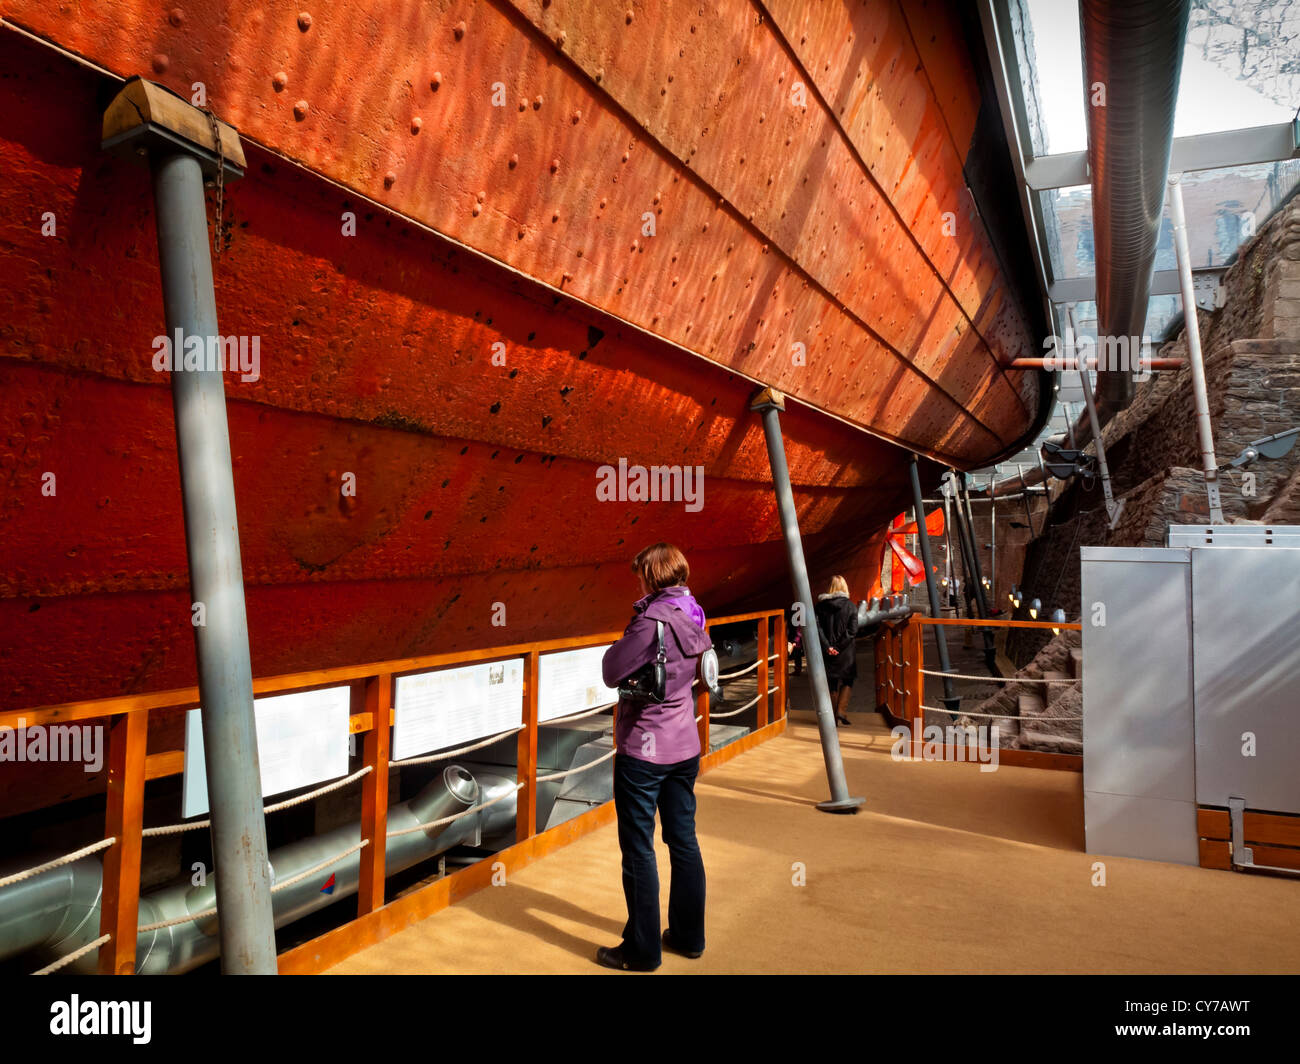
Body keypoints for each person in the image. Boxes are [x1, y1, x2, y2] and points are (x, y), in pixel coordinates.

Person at [598, 542, 712, 972]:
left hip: (644, 751)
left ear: (652, 577)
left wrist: (623, 640)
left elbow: (611, 671)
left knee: (638, 849)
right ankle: (688, 935)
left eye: (641, 575)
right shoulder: (695, 612)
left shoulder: (650, 623)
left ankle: (642, 951)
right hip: (685, 747)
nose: (638, 581)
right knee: (683, 840)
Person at [814, 575, 858, 726]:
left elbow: (817, 629)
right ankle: (841, 710)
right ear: (844, 587)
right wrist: (839, 647)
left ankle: (832, 716)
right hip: (846, 652)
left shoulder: (819, 607)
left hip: (827, 652)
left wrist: (828, 647)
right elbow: (852, 631)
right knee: (848, 680)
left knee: (831, 682)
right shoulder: (851, 606)